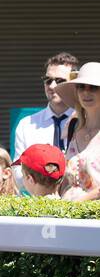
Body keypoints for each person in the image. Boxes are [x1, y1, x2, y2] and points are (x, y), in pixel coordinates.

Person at [14, 53, 78, 157]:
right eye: (48, 80)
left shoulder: (86, 123)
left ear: (74, 83)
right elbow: (18, 167)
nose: (52, 86)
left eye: (60, 81)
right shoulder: (26, 126)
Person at [55, 62, 100, 201]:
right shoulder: (72, 127)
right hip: (70, 217)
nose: (86, 92)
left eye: (93, 87)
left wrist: (80, 202)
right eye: (81, 87)